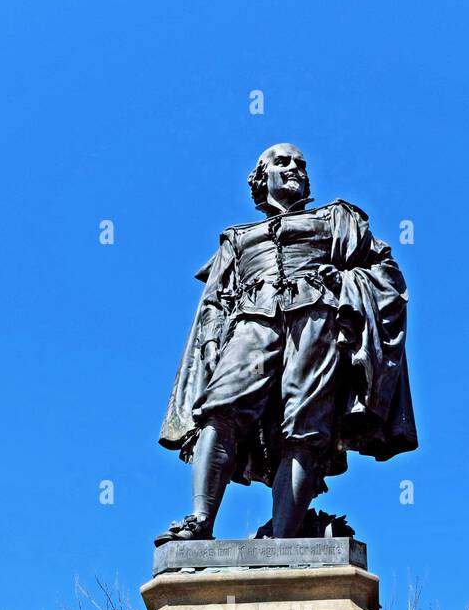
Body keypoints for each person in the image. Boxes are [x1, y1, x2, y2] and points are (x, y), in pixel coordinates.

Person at [156, 143, 417, 544]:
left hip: (316, 318)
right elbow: (213, 302)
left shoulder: (337, 219)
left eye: (301, 163)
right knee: (220, 410)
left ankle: (283, 541)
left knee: (303, 428)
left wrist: (345, 284)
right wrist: (210, 345)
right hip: (251, 320)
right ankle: (200, 521)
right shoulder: (237, 238)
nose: (295, 167)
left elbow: (387, 273)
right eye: (283, 162)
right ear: (262, 178)